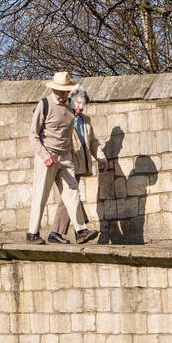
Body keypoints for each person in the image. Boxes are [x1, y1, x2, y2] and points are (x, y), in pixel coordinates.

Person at [26, 70, 97, 245]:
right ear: (53, 90)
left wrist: (71, 155)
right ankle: (32, 233)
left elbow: (72, 132)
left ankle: (81, 231)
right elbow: (33, 135)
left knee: (72, 192)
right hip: (47, 156)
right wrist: (44, 155)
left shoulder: (71, 106)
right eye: (59, 91)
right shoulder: (44, 104)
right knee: (41, 195)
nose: (62, 94)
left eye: (65, 91)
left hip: (65, 157)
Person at [50, 85, 107, 241]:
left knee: (70, 197)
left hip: (80, 163)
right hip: (66, 162)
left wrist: (101, 158)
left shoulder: (85, 120)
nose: (81, 107)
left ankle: (68, 232)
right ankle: (71, 231)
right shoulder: (64, 116)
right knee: (70, 196)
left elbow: (93, 142)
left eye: (83, 104)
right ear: (71, 101)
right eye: (78, 103)